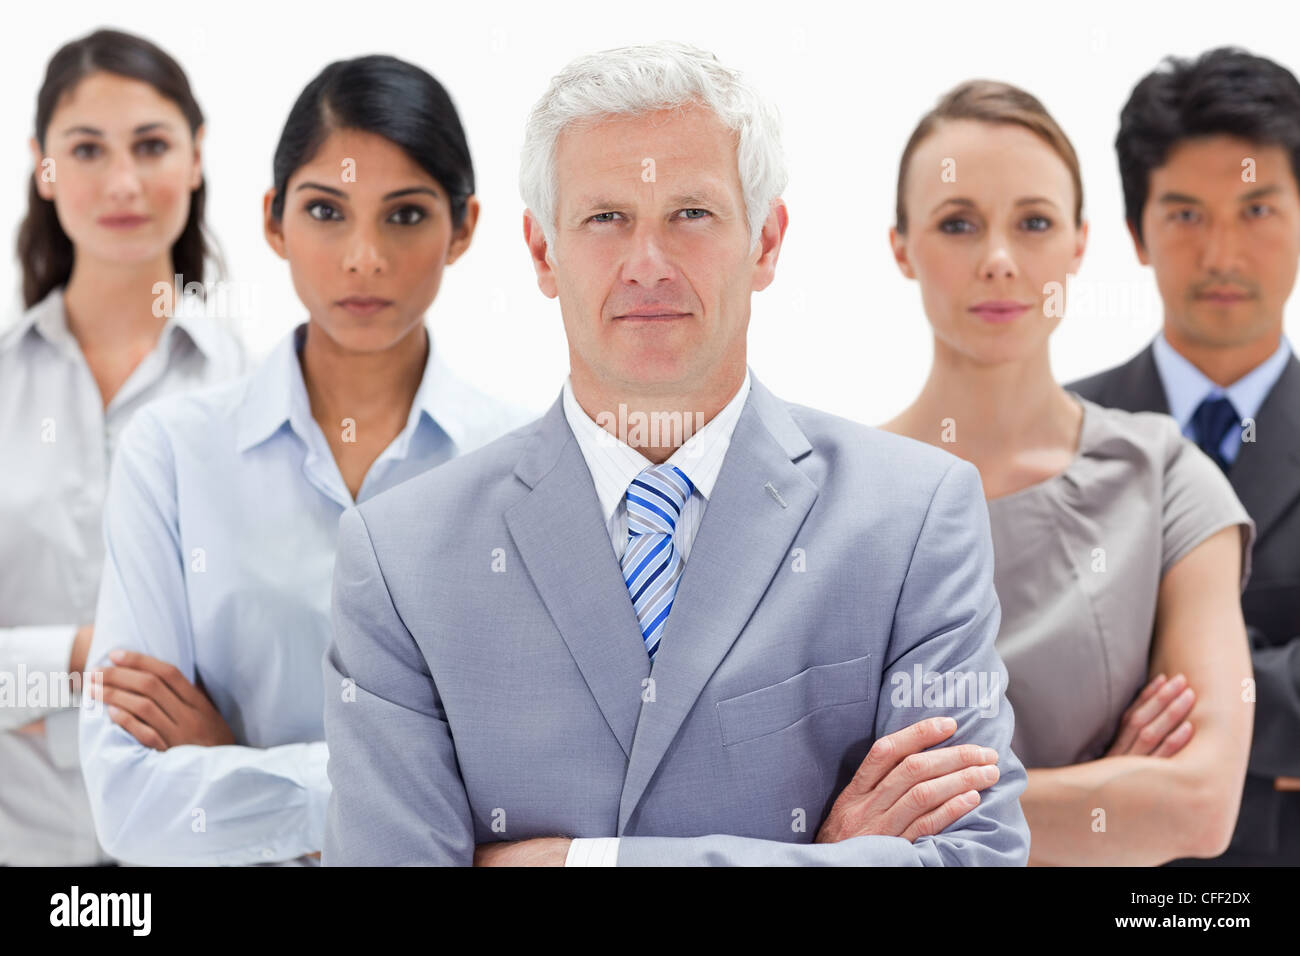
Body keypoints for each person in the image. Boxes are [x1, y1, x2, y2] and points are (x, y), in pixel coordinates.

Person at [321, 41, 1029, 867]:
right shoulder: (400, 558)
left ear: (766, 242)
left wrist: (578, 863)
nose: (646, 265)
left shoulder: (915, 516)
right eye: (605, 218)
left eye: (691, 214)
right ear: (543, 251)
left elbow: (974, 858)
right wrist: (831, 857)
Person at [77, 53, 525, 865]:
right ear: (273, 221)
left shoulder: (523, 466)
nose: (363, 257)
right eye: (326, 211)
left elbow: (536, 790)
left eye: (405, 215)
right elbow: (130, 803)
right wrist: (405, 798)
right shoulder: (173, 454)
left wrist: (231, 768)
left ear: (463, 228)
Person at [880, 79, 1256, 865]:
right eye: (958, 224)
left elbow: (1199, 806)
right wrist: (1101, 795)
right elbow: (785, 806)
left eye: (1035, 222)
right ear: (902, 247)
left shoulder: (1166, 479)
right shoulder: (833, 494)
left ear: (1080, 244)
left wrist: (909, 817)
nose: (999, 261)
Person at [0, 28, 245, 867]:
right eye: (87, 149)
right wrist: (80, 656)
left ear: (197, 154)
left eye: (151, 145)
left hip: (201, 847)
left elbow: (277, 652)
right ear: (44, 165)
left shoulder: (263, 391)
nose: (124, 182)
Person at [1068, 47, 1300, 866]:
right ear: (1137, 232)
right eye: (1187, 214)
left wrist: (1134, 699)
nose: (1222, 255)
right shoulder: (1056, 430)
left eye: (1258, 210)